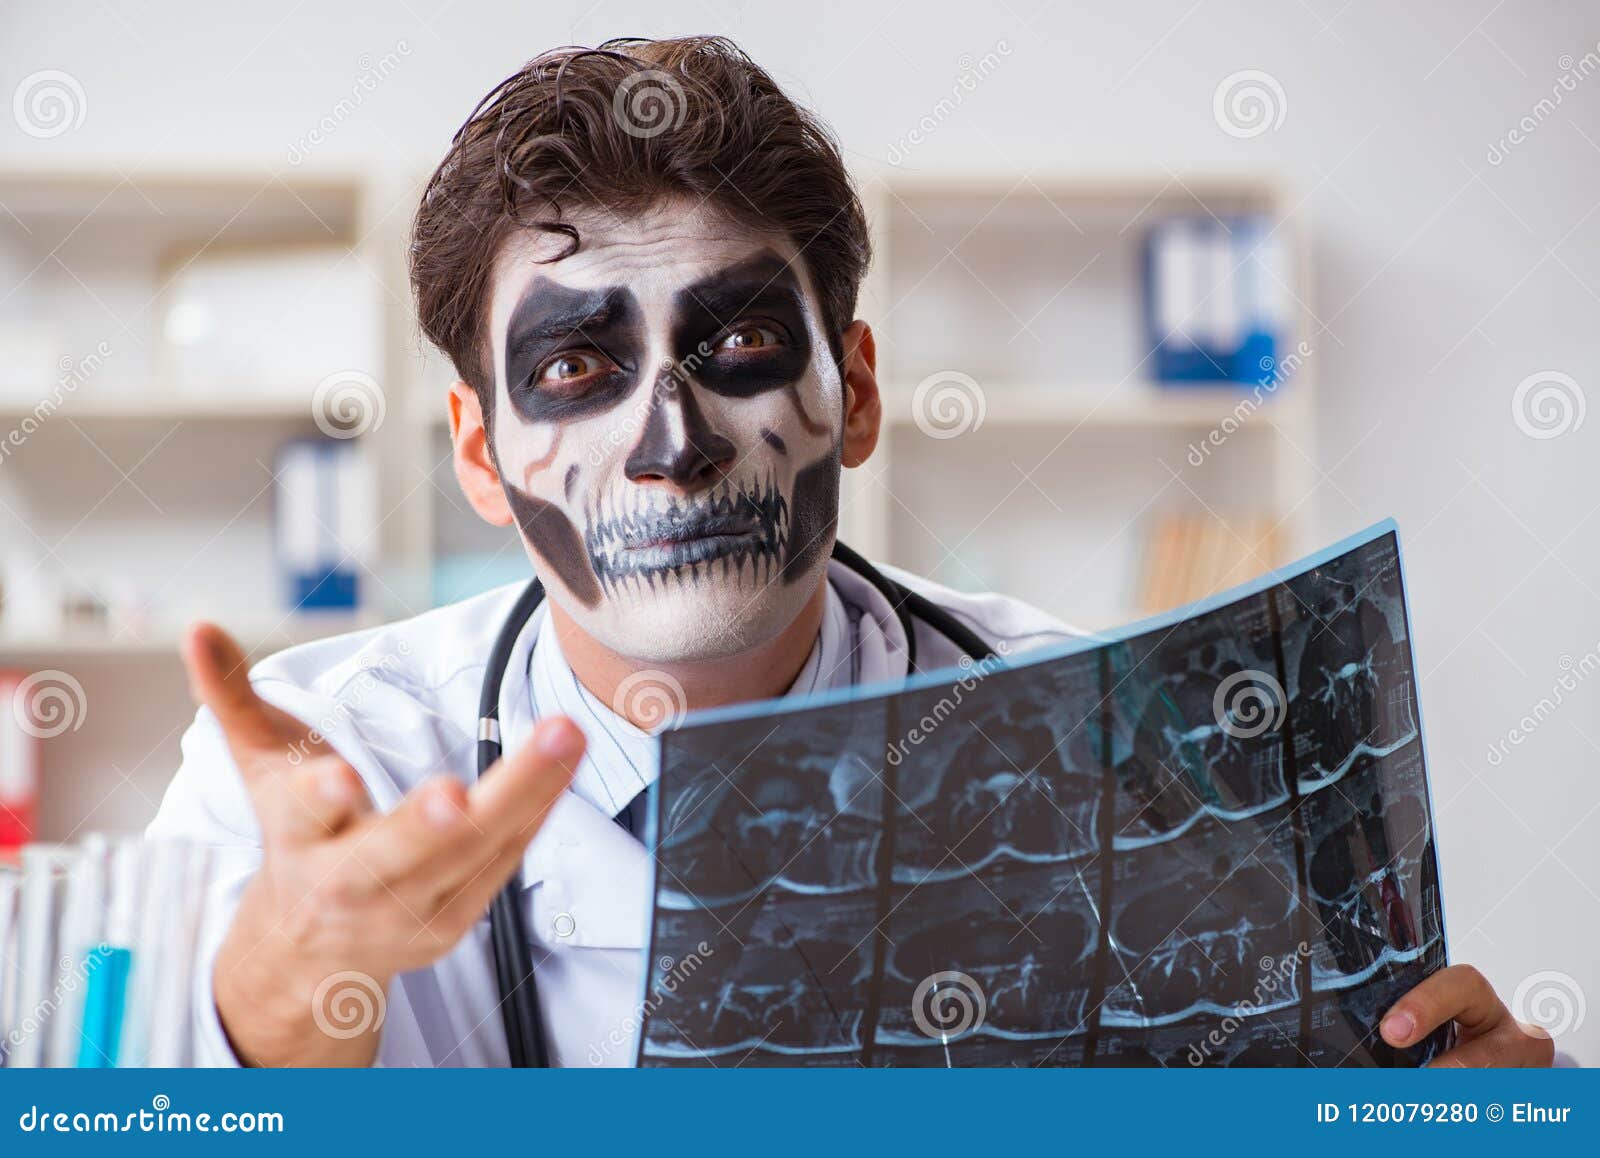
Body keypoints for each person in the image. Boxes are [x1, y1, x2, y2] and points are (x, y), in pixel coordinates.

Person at [148, 35, 1552, 1069]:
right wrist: (293, 970)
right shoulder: (318, 773)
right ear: (478, 452)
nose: (671, 442)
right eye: (577, 363)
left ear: (859, 391)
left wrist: (1441, 1110)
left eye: (741, 343)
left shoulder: (1130, 751)